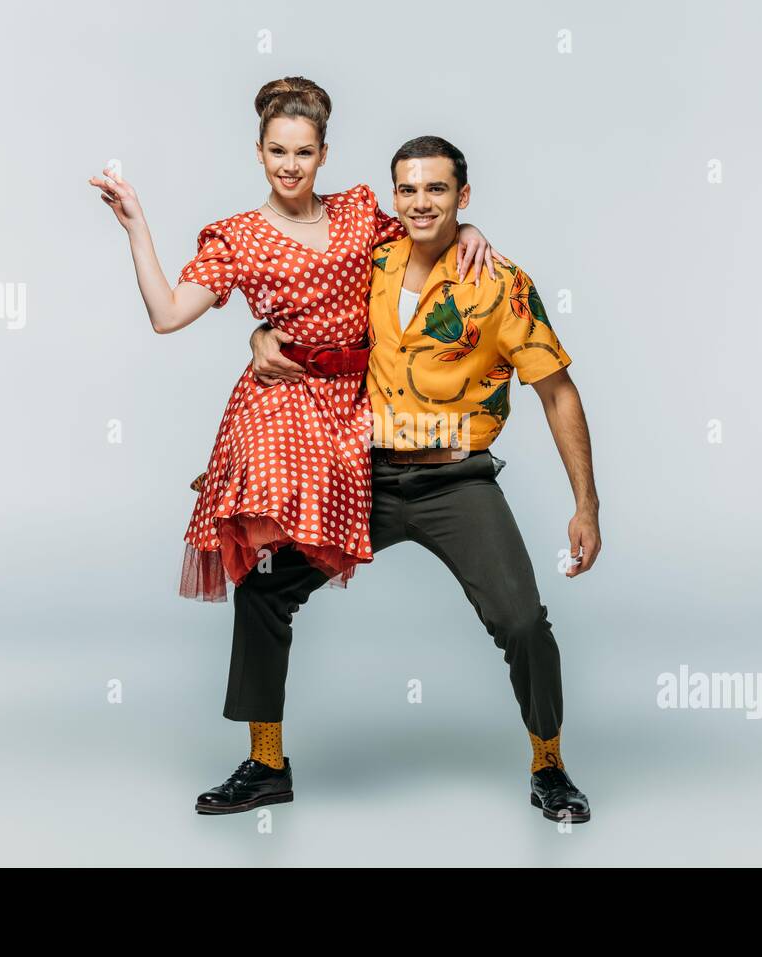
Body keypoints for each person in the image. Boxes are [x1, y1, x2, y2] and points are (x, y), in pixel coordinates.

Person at [87, 77, 501, 812]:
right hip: (281, 401)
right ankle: (264, 760)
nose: (289, 165)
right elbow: (168, 314)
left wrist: (467, 231)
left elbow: (424, 238)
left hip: (358, 403)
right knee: (262, 574)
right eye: (277, 151)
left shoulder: (358, 214)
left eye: (303, 152)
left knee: (287, 573)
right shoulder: (237, 236)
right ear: (258, 152)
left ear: (323, 154)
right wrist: (136, 227)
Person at [227, 136, 602, 824]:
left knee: (523, 622)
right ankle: (266, 764)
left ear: (463, 195)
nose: (421, 202)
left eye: (437, 189)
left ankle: (549, 766)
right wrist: (260, 336)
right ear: (393, 196)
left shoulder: (500, 283)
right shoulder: (369, 263)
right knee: (261, 589)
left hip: (456, 481)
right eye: (408, 189)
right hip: (360, 476)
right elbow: (303, 311)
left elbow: (558, 393)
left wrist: (587, 505)